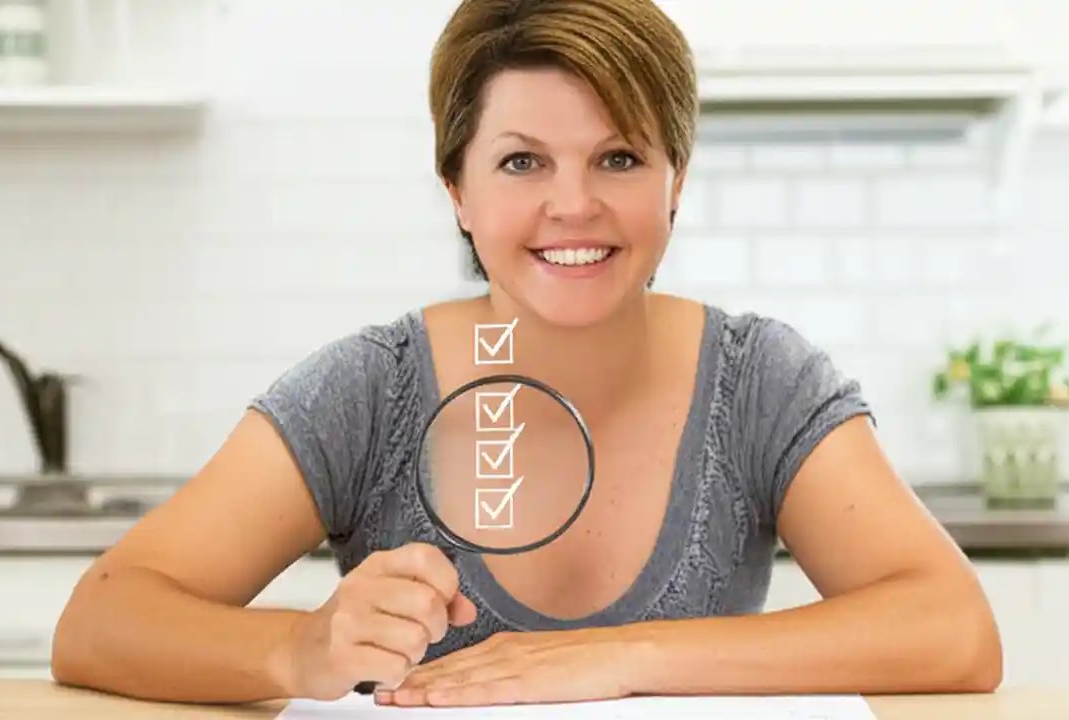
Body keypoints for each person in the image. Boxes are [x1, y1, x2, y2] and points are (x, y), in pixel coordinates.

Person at [50, 0, 1002, 708]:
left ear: (677, 181)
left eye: (619, 157)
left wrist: (628, 658)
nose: (574, 205)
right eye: (521, 161)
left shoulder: (761, 381)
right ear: (456, 189)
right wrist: (297, 650)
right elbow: (102, 619)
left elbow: (954, 630)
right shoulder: (373, 390)